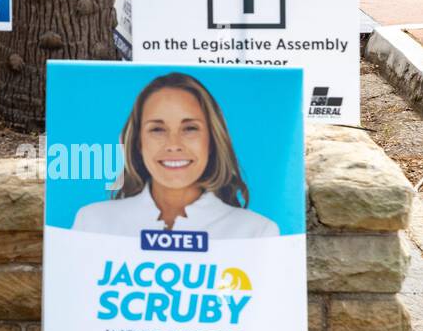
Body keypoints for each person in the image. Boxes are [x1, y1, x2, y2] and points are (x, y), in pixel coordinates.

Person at [72, 73, 279, 239]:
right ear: (138, 143)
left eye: (189, 128)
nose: (173, 145)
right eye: (157, 129)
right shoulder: (92, 224)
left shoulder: (257, 233)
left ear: (212, 140)